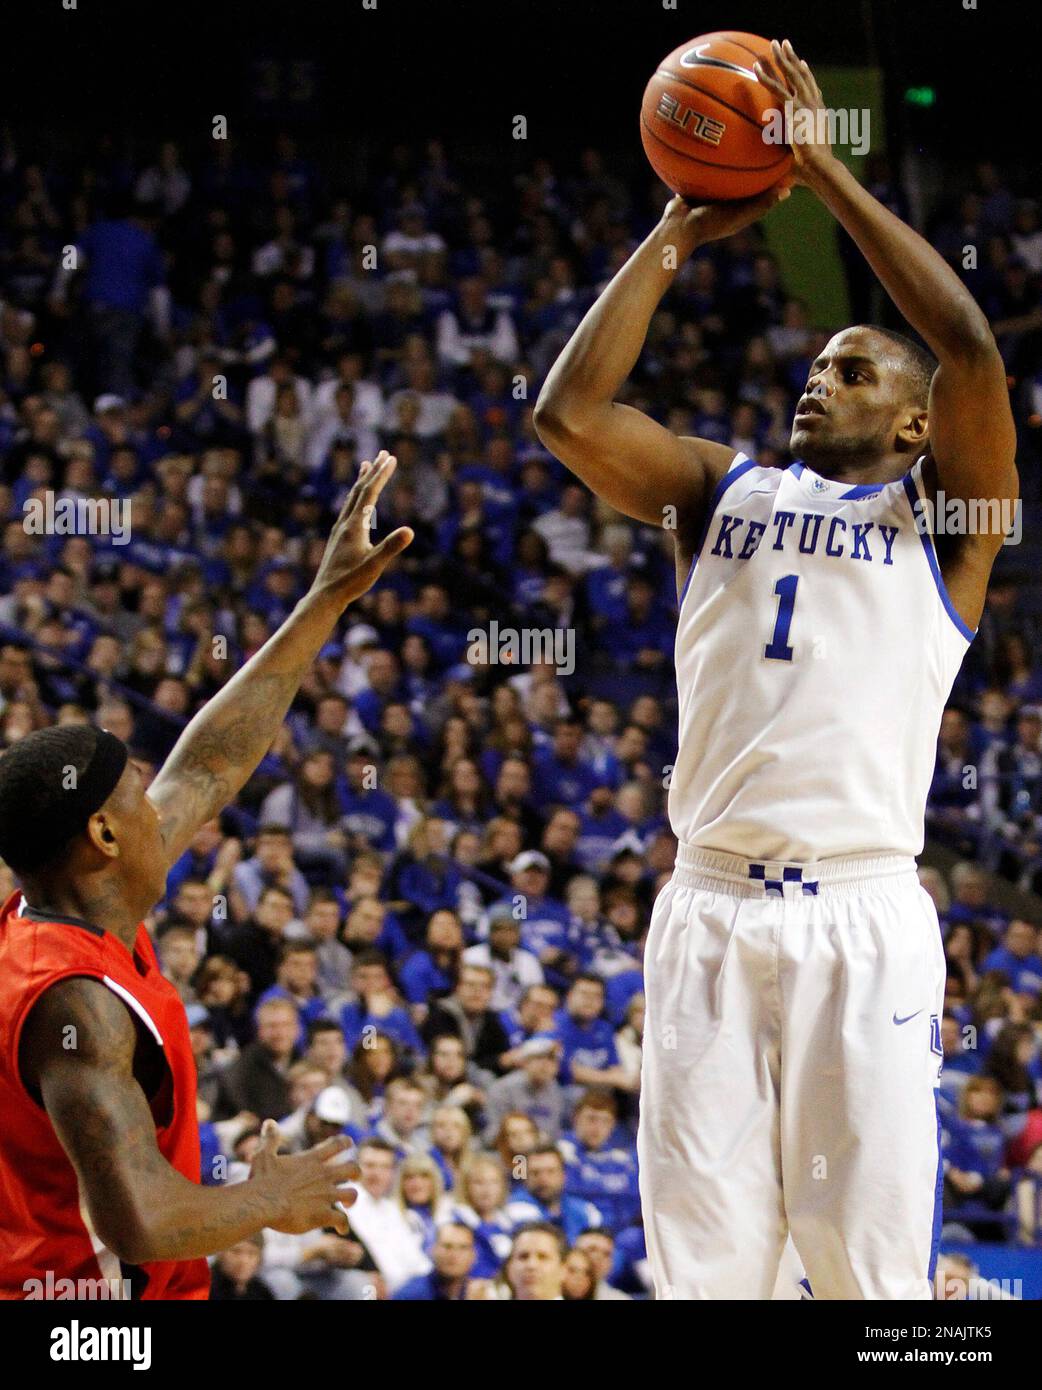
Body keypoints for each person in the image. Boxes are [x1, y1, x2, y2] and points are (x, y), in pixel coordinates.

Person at [534, 38, 1018, 1300]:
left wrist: (825, 173)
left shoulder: (948, 525)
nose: (821, 379)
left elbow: (967, 347)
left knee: (867, 1275)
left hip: (860, 913)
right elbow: (568, 416)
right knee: (705, 1273)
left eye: (853, 369)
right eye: (814, 366)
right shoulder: (715, 489)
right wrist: (674, 237)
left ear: (913, 423)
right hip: (704, 908)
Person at [0, 451, 411, 1299]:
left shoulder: (69, 908)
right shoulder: (75, 1005)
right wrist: (266, 1197)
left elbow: (212, 765)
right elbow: (137, 1221)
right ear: (105, 835)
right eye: (138, 798)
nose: (166, 805)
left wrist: (323, 602)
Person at [392, 1221, 478, 1301]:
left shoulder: (477, 1292)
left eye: (463, 1248)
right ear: (433, 1251)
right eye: (447, 1246)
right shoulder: (411, 1294)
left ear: (473, 1256)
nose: (454, 1255)